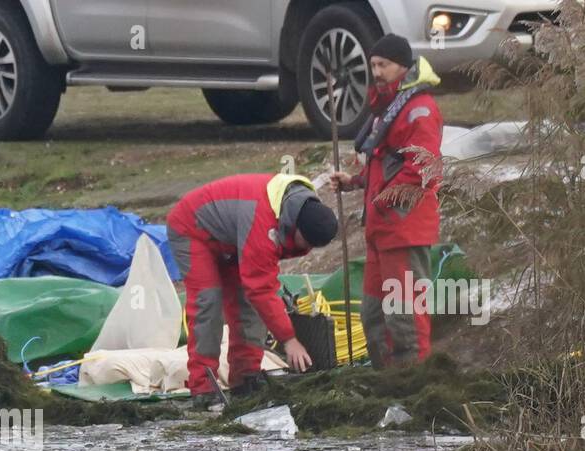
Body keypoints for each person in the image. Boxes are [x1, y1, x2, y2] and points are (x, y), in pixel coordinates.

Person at [166, 172, 339, 407]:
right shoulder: (264, 223)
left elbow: (257, 292)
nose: (306, 249)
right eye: (306, 243)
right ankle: (203, 387)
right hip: (193, 228)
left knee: (247, 305)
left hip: (233, 237)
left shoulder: (299, 211)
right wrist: (289, 340)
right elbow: (262, 289)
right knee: (208, 303)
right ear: (296, 226)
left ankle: (245, 378)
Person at [331, 34, 443, 367]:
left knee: (405, 318)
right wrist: (355, 183)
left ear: (403, 67)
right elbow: (386, 166)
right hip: (382, 232)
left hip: (404, 231)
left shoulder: (418, 110)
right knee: (374, 318)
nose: (376, 72)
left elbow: (423, 170)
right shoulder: (388, 108)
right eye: (373, 65)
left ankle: (415, 387)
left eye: (384, 65)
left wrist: (381, 202)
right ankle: (386, 386)